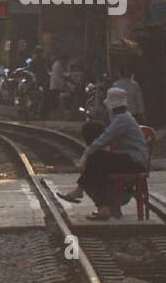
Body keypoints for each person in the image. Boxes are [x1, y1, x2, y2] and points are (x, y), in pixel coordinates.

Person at [57, 87, 149, 220]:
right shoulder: (123, 118)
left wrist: (85, 156)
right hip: (130, 159)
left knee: (95, 159)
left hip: (134, 161)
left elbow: (102, 140)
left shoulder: (122, 120)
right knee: (96, 163)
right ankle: (97, 202)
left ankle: (87, 195)